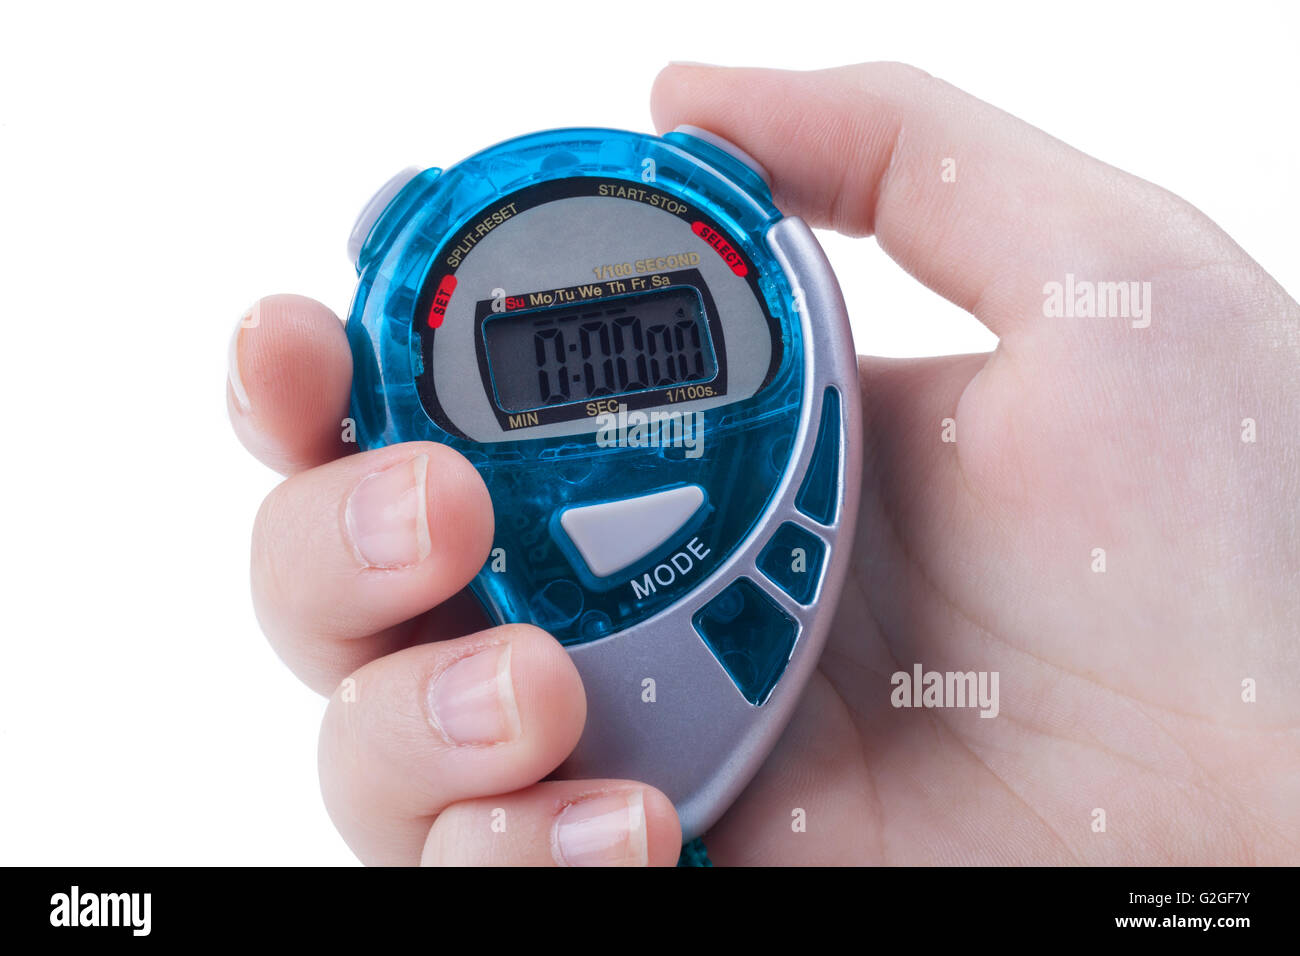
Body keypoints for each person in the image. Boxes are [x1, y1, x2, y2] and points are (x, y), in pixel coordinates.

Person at [227, 63, 1300, 866]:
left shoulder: (768, 263)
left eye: (645, 346)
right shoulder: (723, 249)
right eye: (550, 358)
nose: (608, 398)